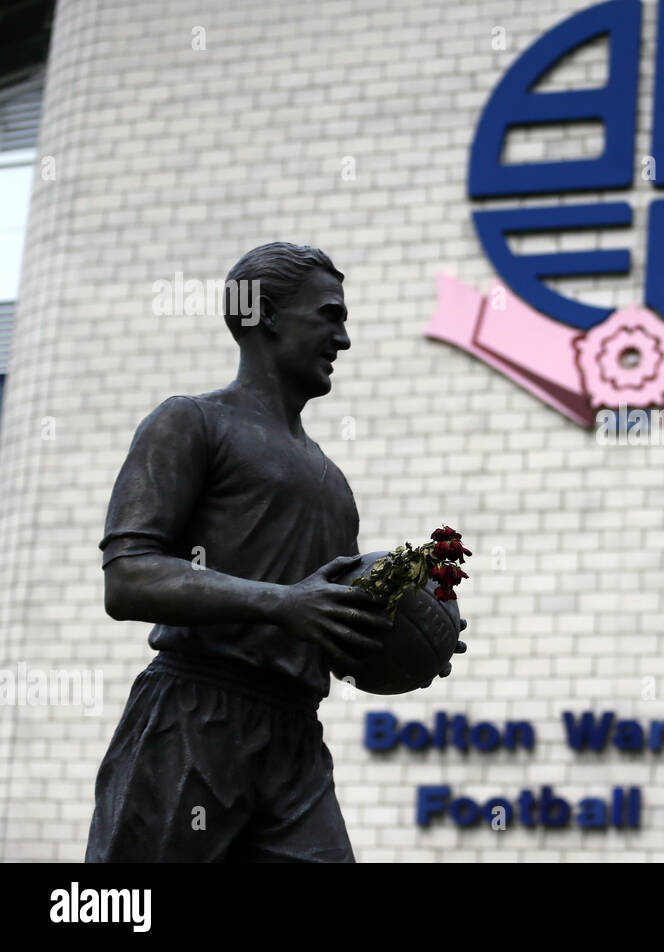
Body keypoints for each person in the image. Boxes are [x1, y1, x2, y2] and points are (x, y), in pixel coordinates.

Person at [85, 242, 446, 862]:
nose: (344, 339)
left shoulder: (333, 483)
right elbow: (128, 578)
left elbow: (327, 620)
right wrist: (280, 603)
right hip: (193, 719)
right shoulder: (191, 422)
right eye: (329, 316)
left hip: (294, 741)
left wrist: (415, 633)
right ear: (266, 315)